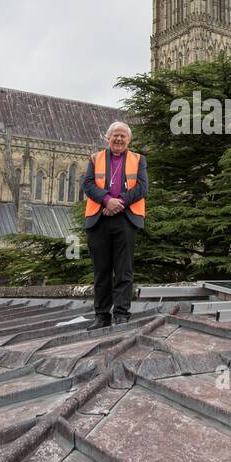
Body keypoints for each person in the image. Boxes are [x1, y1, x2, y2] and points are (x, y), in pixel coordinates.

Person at [81, 121, 146, 330]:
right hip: (99, 217)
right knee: (101, 270)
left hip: (126, 218)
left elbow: (143, 187)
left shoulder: (139, 159)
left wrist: (120, 203)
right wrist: (107, 200)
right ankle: (101, 316)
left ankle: (121, 314)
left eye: (123, 136)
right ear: (107, 137)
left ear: (129, 140)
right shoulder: (95, 158)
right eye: (115, 135)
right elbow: (88, 184)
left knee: (124, 270)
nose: (119, 139)